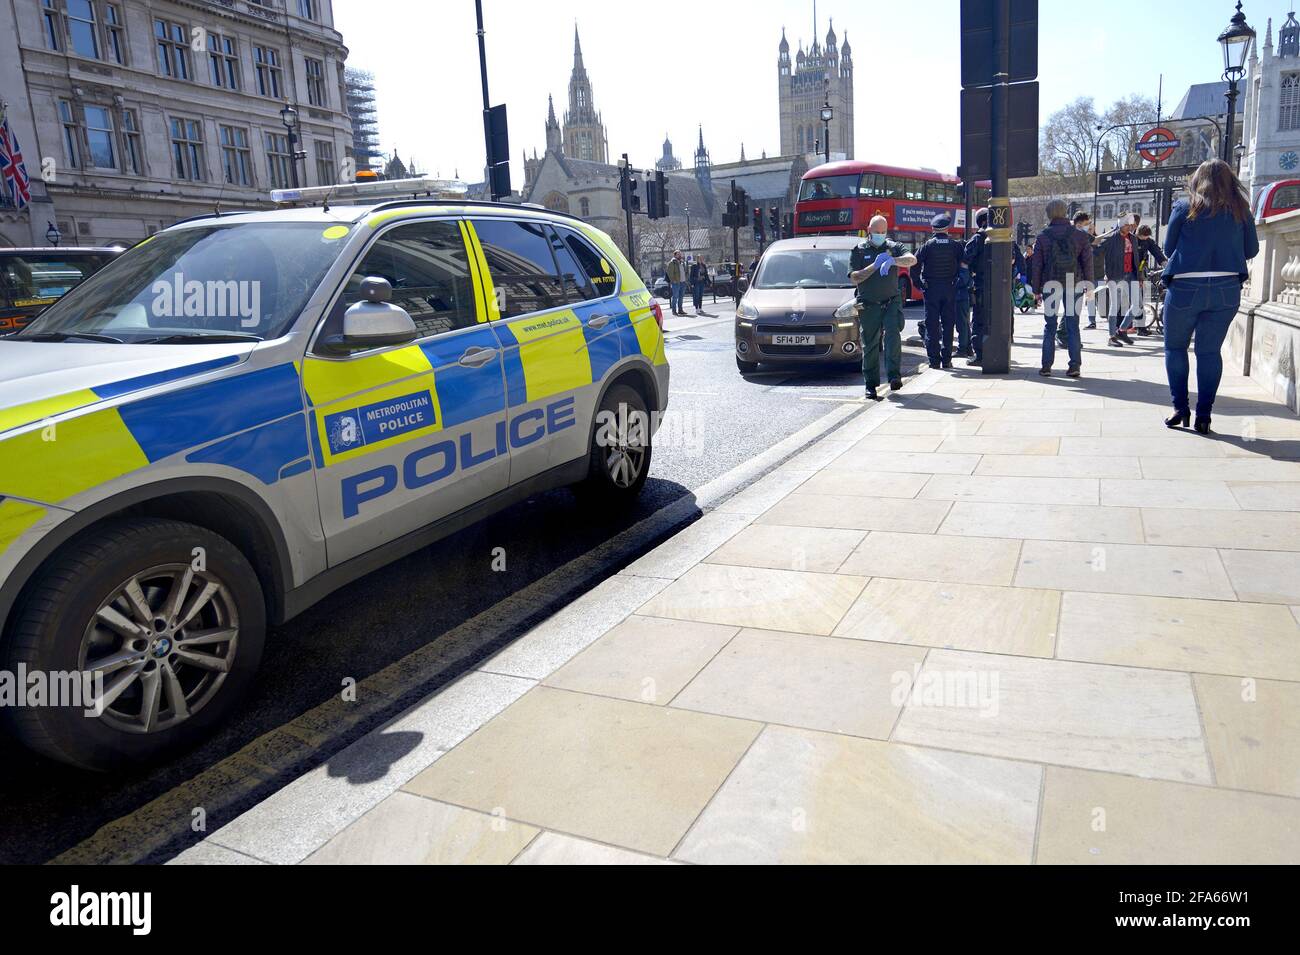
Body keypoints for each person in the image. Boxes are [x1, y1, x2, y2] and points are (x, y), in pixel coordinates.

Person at [1160, 158, 1259, 434]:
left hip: (1185, 287)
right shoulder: (1241, 209)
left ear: (1197, 179)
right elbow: (1251, 250)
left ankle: (1180, 409)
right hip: (1226, 289)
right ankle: (1204, 415)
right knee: (1208, 352)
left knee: (1175, 348)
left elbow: (1169, 249)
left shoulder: (1185, 206)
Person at [849, 214, 917, 399]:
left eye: (883, 232)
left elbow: (912, 259)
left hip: (891, 302)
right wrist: (873, 266)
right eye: (877, 232)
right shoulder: (859, 250)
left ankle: (894, 377)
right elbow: (854, 276)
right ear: (869, 230)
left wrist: (893, 260)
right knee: (870, 344)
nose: (880, 234)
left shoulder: (893, 247)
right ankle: (870, 384)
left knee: (893, 337)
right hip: (869, 304)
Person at [1030, 199, 1093, 378]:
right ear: (1066, 212)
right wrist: (1089, 285)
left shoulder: (1043, 236)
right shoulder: (1080, 235)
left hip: (1051, 284)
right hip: (1074, 282)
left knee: (1050, 325)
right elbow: (1087, 262)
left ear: (1049, 214)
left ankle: (1046, 366)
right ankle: (1074, 365)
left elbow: (1037, 265)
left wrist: (1036, 290)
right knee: (1073, 325)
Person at [913, 213, 965, 369]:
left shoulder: (927, 246)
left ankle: (934, 360)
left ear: (933, 229)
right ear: (947, 229)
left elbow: (914, 264)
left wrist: (919, 284)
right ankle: (947, 359)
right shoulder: (955, 245)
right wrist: (958, 281)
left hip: (931, 289)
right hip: (949, 288)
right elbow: (964, 263)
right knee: (948, 324)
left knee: (932, 325)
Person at [1098, 214, 1141, 345]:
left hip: (1131, 275)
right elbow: (1098, 253)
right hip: (1114, 276)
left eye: (1131, 226)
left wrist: (1140, 277)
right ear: (1121, 224)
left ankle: (1122, 330)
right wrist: (1105, 273)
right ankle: (1111, 337)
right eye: (1127, 225)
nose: (1130, 228)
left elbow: (1136, 258)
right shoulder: (1111, 238)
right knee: (1114, 306)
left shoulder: (1133, 238)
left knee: (1137, 304)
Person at [964, 207, 990, 365]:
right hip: (1000, 287)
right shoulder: (1004, 237)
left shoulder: (977, 239)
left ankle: (980, 355)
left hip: (980, 285)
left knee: (979, 320)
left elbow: (966, 260)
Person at [1132, 224, 1168, 336]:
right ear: (1138, 234)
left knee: (1140, 300)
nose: (1145, 239)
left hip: (1141, 271)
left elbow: (1156, 251)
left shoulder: (1148, 241)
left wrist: (1164, 263)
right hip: (1130, 272)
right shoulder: (1131, 240)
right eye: (1143, 237)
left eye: (1147, 237)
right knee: (1133, 301)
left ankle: (1140, 327)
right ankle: (1129, 326)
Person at [1072, 211, 1100, 330]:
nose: (1088, 226)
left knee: (1080, 302)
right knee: (1074, 304)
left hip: (1084, 274)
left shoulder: (1079, 234)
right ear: (1080, 223)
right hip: (1079, 274)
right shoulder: (1080, 235)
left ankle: (1091, 320)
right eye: (1087, 223)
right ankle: (1067, 331)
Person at [954, 262, 974, 357]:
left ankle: (962, 349)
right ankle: (968, 348)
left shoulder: (962, 262)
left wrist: (951, 284)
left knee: (962, 324)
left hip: (960, 297)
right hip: (962, 296)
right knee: (964, 324)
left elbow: (963, 279)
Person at [667, 250, 687, 316]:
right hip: (676, 283)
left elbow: (685, 271)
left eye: (680, 254)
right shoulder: (672, 263)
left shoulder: (682, 262)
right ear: (675, 255)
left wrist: (686, 279)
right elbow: (669, 273)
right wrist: (673, 280)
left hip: (683, 282)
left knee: (681, 297)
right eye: (678, 254)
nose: (679, 255)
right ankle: (674, 311)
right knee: (675, 297)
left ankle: (680, 310)